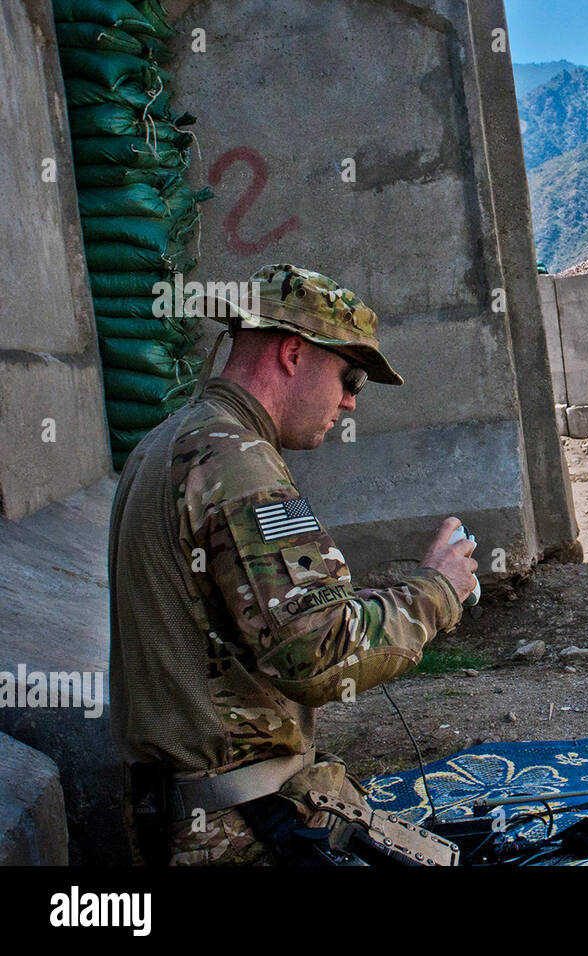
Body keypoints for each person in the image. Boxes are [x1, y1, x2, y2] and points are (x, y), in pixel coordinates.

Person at [108, 263, 479, 865]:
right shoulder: (237, 464)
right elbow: (320, 653)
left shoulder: (168, 442)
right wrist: (438, 590)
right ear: (292, 352)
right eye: (349, 376)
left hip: (192, 812)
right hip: (240, 832)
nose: (352, 402)